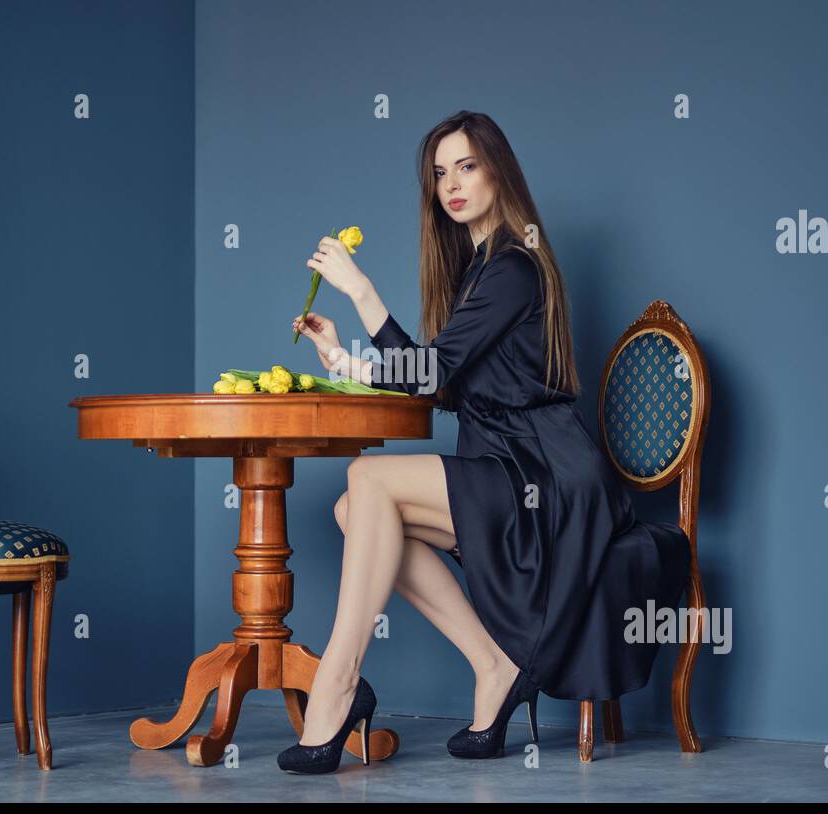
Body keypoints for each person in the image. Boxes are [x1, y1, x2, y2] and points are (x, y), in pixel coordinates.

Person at [279, 110, 684, 774]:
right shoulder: (476, 270)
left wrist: (360, 289)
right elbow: (436, 383)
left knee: (368, 482)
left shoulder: (513, 267)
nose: (452, 184)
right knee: (358, 511)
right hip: (502, 462)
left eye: (466, 166)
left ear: (499, 169)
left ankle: (339, 683)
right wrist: (344, 362)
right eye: (440, 174)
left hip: (549, 477)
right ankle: (492, 664)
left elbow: (431, 373)